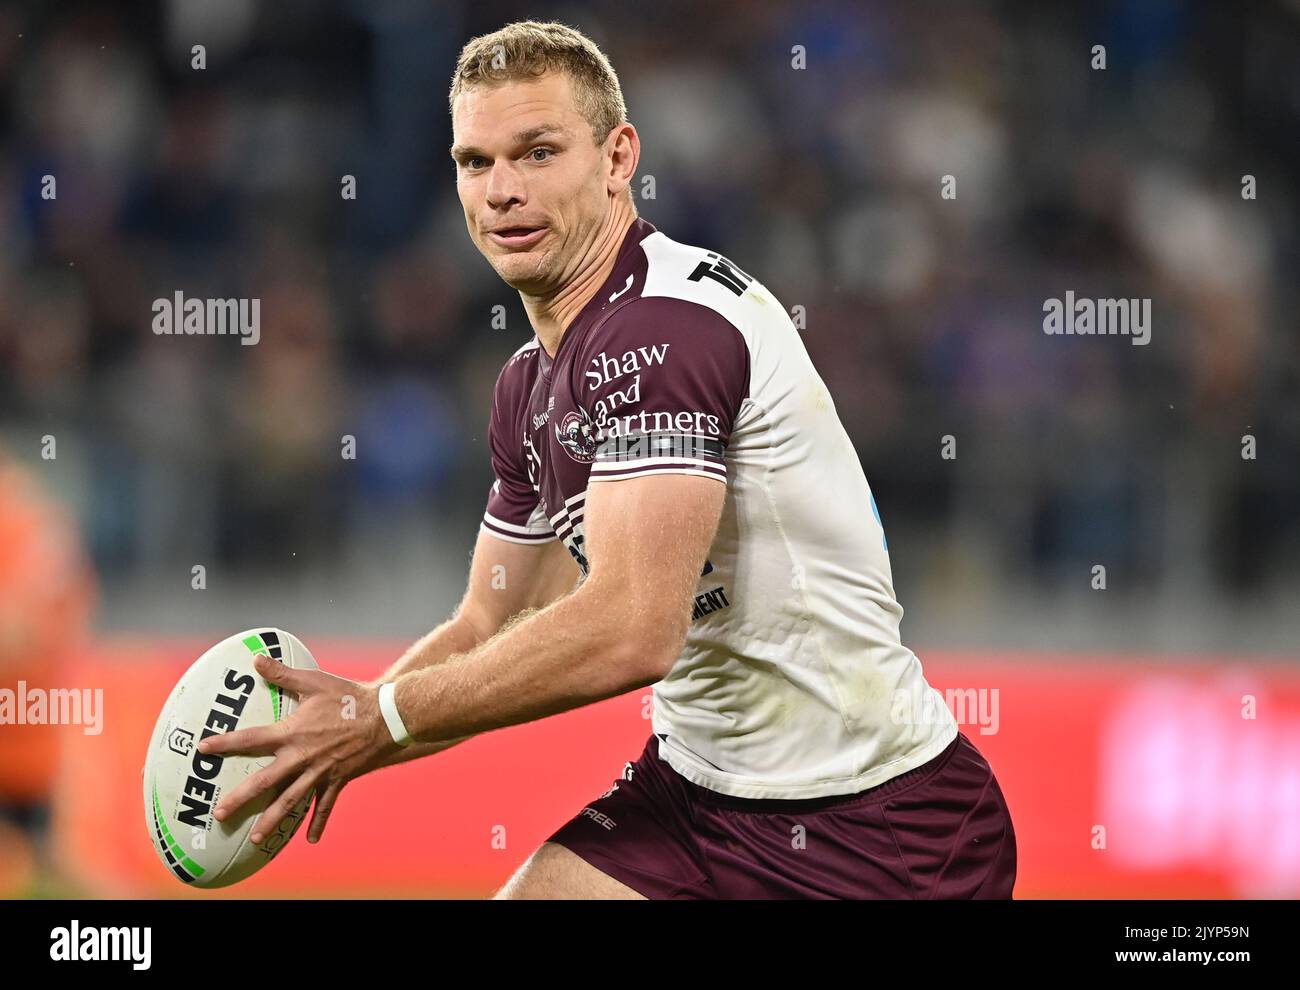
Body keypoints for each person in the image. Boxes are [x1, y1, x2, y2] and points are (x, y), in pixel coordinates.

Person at [201, 20, 1016, 900]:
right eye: (475, 162)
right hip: (695, 799)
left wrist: (379, 718)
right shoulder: (528, 387)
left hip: (878, 827)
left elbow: (634, 629)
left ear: (618, 157)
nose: (502, 191)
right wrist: (337, 735)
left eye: (538, 152)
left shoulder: (665, 330)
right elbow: (490, 620)